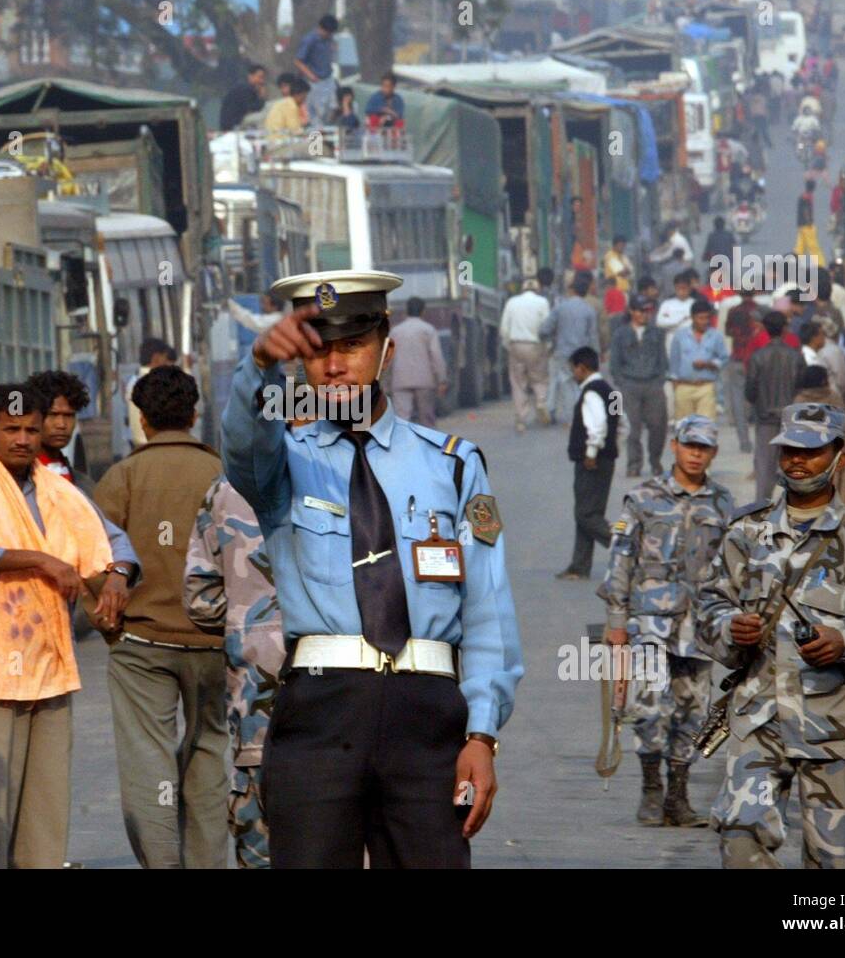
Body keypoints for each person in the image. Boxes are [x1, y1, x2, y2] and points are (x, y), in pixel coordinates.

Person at [222, 268, 523, 868]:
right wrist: (256, 366)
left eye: (351, 346)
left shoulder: (456, 467)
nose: (334, 366)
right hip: (321, 712)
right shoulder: (283, 463)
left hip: (428, 719)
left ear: (386, 350)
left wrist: (482, 734)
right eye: (318, 351)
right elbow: (242, 446)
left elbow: (487, 608)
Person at [696, 403, 845, 869]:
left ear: (840, 455)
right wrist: (729, 629)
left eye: (813, 451)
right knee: (739, 837)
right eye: (791, 450)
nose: (799, 460)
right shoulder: (745, 531)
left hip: (837, 728)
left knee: (831, 863)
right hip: (759, 719)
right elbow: (708, 607)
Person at [0, 384, 137, 869]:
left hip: (50, 665)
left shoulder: (60, 492)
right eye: (12, 429)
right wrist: (40, 561)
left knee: (44, 814)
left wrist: (117, 576)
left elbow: (117, 543)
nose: (24, 439)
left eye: (31, 429)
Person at [94, 365, 227, 868]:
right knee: (210, 757)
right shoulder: (221, 472)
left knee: (150, 765)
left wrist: (110, 622)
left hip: (143, 646)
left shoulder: (122, 476)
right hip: (215, 644)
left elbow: (92, 555)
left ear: (143, 419)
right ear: (194, 414)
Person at [600, 415, 733, 826]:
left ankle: (679, 794)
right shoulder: (642, 498)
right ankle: (651, 790)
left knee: (693, 711)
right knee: (649, 707)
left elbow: (734, 566)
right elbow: (620, 560)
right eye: (690, 445)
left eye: (704, 447)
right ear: (674, 445)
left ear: (712, 452)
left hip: (701, 627)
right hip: (650, 623)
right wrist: (616, 622)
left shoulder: (722, 503)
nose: (696, 454)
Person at [184, 477, 285, 868]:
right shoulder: (350, 471)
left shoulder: (226, 490)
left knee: (259, 835)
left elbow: (200, 601)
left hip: (255, 698)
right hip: (344, 703)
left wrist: (249, 623)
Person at [557, 346, 621, 580]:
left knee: (585, 514)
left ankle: (625, 547)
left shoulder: (590, 393)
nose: (574, 374)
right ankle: (579, 565)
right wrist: (613, 445)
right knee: (589, 511)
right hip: (608, 459)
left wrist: (592, 452)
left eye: (574, 369)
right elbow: (622, 423)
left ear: (581, 368)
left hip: (591, 461)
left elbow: (598, 425)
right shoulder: (613, 392)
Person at [746, 311, 807, 501]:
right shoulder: (795, 357)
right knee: (796, 467)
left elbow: (750, 391)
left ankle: (761, 509)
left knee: (765, 468)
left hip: (765, 419)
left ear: (764, 328)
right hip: (791, 418)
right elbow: (802, 386)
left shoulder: (758, 357)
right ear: (785, 329)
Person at [610, 294, 668, 477]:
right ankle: (634, 464)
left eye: (647, 311)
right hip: (630, 384)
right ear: (632, 311)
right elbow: (615, 362)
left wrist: (660, 380)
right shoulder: (621, 334)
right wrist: (621, 382)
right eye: (641, 311)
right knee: (632, 427)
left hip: (653, 383)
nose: (644, 314)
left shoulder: (657, 333)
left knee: (658, 425)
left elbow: (662, 359)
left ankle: (655, 461)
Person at [539, 271, 600, 425]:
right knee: (579, 384)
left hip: (562, 353)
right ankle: (578, 414)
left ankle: (566, 414)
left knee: (563, 382)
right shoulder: (589, 310)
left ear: (571, 291)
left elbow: (544, 329)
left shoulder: (560, 308)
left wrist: (547, 339)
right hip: (582, 354)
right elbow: (593, 335)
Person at [500, 276, 552, 431]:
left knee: (518, 382)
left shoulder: (512, 302)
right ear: (537, 289)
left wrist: (509, 345)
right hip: (535, 345)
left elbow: (504, 328)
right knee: (539, 378)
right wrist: (548, 347)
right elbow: (546, 326)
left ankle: (521, 417)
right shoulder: (542, 302)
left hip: (516, 344)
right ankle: (541, 402)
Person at [389, 296, 448, 428]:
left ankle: (403, 446)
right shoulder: (428, 330)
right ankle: (428, 445)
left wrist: (385, 382)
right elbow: (436, 356)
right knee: (427, 419)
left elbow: (388, 358)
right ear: (423, 311)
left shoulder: (395, 331)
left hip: (400, 380)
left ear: (406, 311)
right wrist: (442, 380)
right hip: (424, 381)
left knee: (401, 419)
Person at [27, 369, 90, 484]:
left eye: (69, 415)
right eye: (53, 415)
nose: (61, 424)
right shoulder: (16, 479)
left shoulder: (84, 484)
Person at [668, 298, 728, 419]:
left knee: (705, 429)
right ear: (693, 317)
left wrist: (708, 364)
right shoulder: (680, 336)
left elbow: (724, 358)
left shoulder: (716, 336)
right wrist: (676, 387)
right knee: (685, 430)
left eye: (707, 318)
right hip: (684, 386)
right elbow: (674, 362)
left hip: (706, 386)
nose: (704, 322)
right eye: (701, 318)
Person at [126, 338, 177, 451]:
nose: (166, 363)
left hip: (139, 447)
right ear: (156, 358)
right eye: (165, 358)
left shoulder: (133, 381)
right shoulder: (156, 383)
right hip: (156, 448)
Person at [724, 291, 760, 453]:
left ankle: (744, 441)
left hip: (738, 358)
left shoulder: (733, 311)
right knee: (759, 401)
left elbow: (728, 331)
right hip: (756, 360)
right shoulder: (760, 311)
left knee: (738, 401)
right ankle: (761, 439)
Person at [294, 14, 339, 124]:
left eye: (330, 33)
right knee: (315, 115)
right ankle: (315, 141)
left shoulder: (330, 39)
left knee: (333, 109)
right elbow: (298, 61)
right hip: (314, 82)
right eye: (326, 31)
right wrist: (311, 76)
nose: (328, 34)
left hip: (328, 79)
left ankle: (327, 139)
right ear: (320, 27)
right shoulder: (310, 40)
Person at [800, 320, 845, 403]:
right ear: (814, 338)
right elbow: (842, 380)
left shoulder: (815, 354)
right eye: (822, 334)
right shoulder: (807, 358)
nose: (825, 338)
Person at [655, 269, 696, 355]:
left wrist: (671, 320)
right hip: (672, 337)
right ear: (675, 288)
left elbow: (694, 324)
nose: (681, 291)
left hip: (690, 338)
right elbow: (660, 322)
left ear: (689, 288)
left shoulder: (694, 304)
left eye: (684, 288)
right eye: (678, 289)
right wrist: (680, 319)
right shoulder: (667, 304)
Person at [220, 63, 267, 131]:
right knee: (264, 116)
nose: (261, 81)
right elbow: (253, 108)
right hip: (233, 125)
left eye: (263, 78)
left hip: (234, 122)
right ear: (250, 76)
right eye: (259, 77)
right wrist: (262, 97)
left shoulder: (246, 87)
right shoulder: (245, 88)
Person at [701, 217, 735, 287]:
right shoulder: (729, 235)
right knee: (731, 283)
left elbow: (707, 249)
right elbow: (734, 248)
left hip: (715, 264)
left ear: (714, 225)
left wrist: (704, 257)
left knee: (708, 282)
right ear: (724, 225)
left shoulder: (711, 236)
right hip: (727, 263)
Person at [794, 179, 823, 261]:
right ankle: (820, 265)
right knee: (813, 247)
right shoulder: (807, 197)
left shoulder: (802, 196)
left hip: (801, 225)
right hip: (807, 225)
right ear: (813, 188)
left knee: (800, 247)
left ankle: (793, 263)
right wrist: (809, 222)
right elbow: (806, 210)